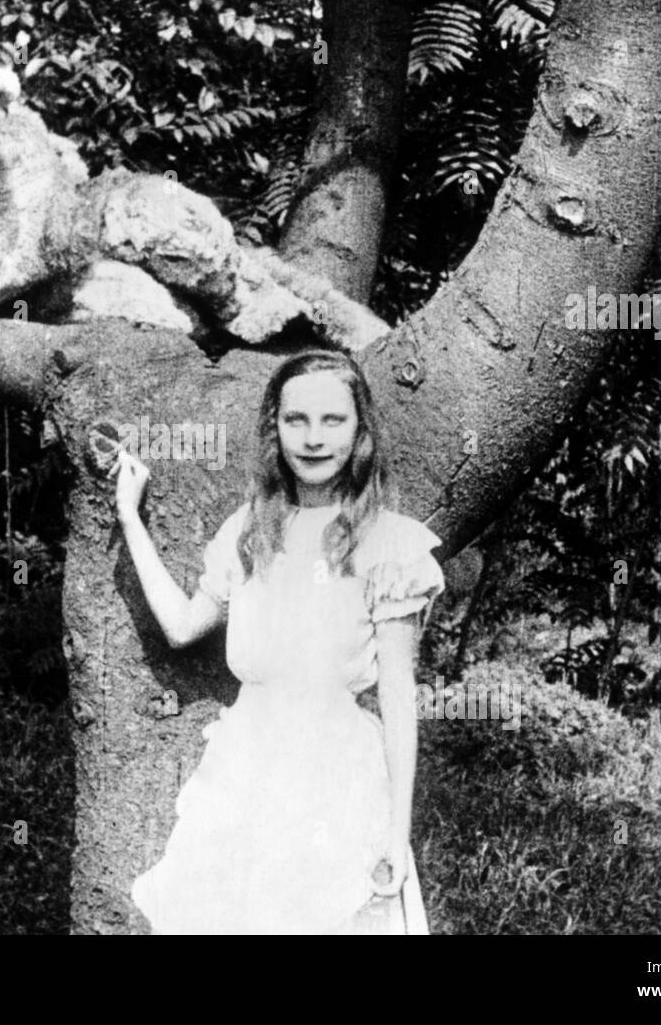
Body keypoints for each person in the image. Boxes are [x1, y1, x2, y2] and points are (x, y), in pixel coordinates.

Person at [112, 349, 446, 935]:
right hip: (246, 767)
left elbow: (398, 701)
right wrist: (131, 520)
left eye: (332, 420)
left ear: (360, 431)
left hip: (336, 773)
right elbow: (181, 626)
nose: (314, 439)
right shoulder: (247, 532)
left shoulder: (390, 545)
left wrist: (397, 829)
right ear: (275, 428)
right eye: (297, 420)